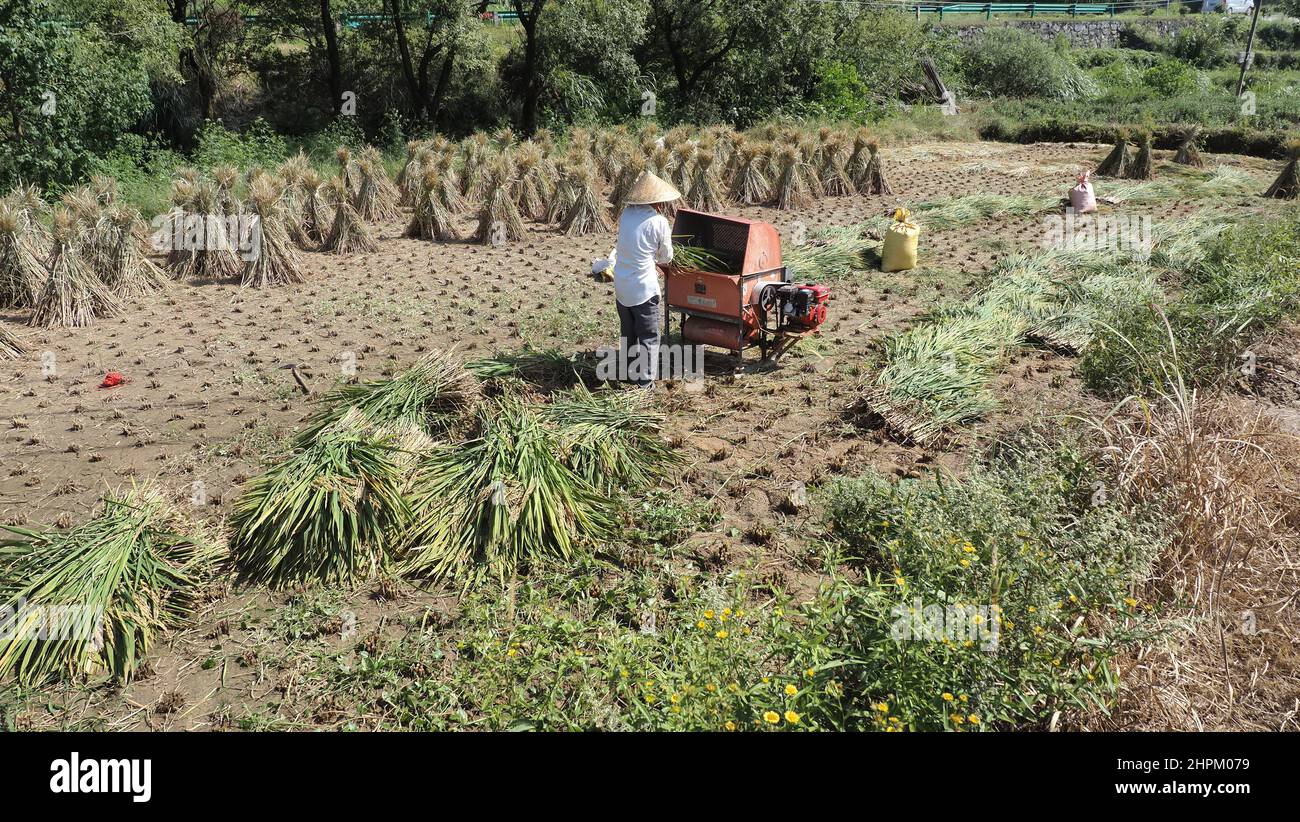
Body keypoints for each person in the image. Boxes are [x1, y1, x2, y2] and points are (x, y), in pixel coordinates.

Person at [591, 171, 680, 389]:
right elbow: (666, 257)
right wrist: (658, 259)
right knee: (649, 338)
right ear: (657, 202)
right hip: (643, 289)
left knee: (628, 334)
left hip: (622, 286)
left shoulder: (627, 214)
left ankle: (629, 373)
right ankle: (645, 384)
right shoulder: (659, 221)